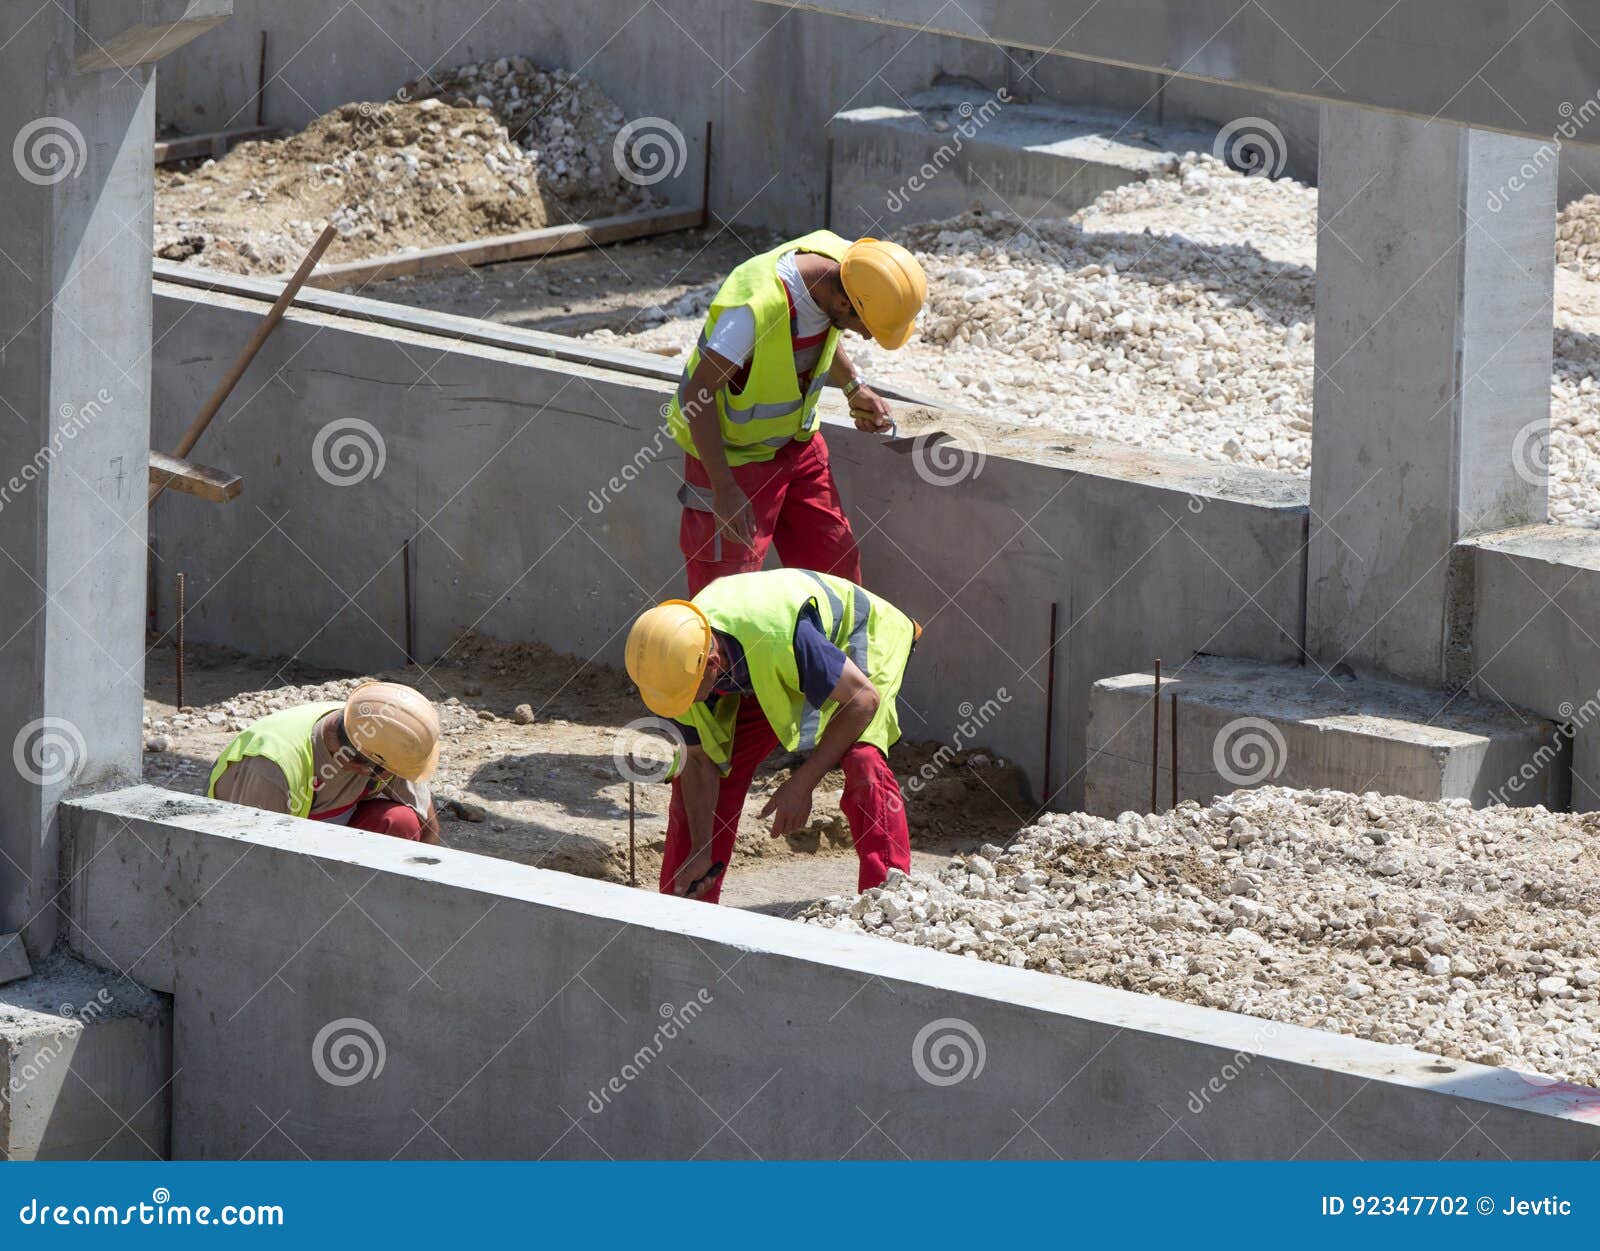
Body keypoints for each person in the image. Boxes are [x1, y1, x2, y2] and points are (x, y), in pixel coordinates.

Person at [624, 567, 920, 902]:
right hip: (765, 668)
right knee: (714, 767)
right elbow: (699, 763)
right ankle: (683, 915)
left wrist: (802, 783)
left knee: (862, 759)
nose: (684, 704)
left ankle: (886, 905)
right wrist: (701, 848)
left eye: (687, 694)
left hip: (861, 637)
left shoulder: (786, 640)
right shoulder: (678, 663)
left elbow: (863, 699)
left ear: (711, 663)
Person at [668, 231, 927, 595]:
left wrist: (854, 385)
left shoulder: (847, 267)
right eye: (865, 328)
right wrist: (723, 489)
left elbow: (819, 329)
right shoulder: (754, 311)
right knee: (727, 594)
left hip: (798, 446)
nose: (867, 338)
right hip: (732, 460)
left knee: (835, 571)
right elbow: (699, 391)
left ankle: (828, 654)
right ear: (841, 304)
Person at [208, 682, 442, 844]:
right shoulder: (270, 768)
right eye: (388, 773)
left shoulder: (384, 739)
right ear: (358, 766)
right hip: (276, 845)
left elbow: (429, 831)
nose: (392, 776)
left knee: (400, 822)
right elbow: (251, 858)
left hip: (326, 838)